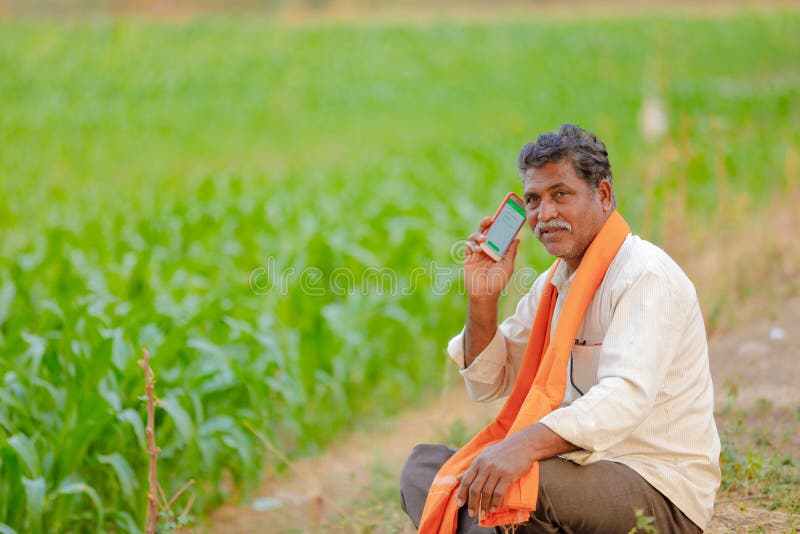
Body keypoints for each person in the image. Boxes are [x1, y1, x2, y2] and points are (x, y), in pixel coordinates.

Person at [400, 124, 720, 533]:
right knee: (424, 468)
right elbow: (490, 381)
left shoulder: (645, 275)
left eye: (560, 195)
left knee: (515, 482)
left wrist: (521, 446)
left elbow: (623, 398)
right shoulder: (553, 285)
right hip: (573, 471)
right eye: (533, 200)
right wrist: (482, 299)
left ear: (602, 195)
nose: (544, 214)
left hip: (656, 484)